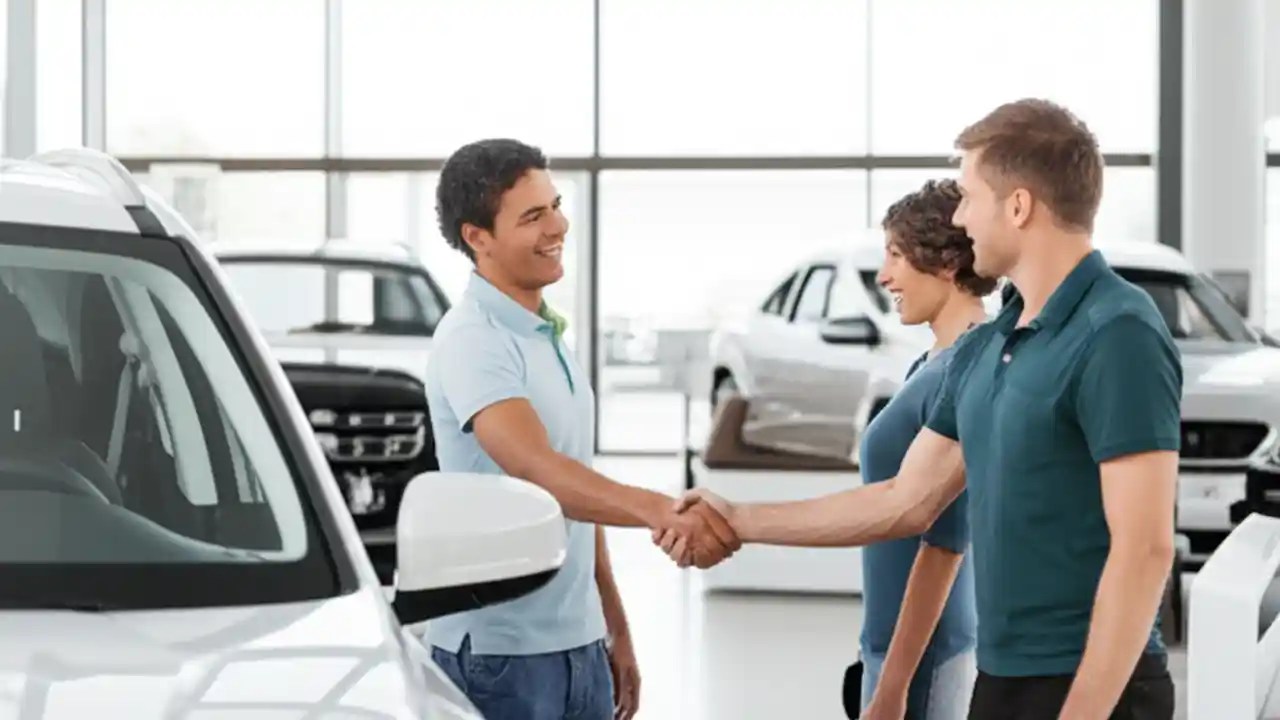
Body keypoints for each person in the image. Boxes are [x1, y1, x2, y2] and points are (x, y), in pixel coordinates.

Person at [660, 99, 1180, 720]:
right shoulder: (987, 348)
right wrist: (737, 517)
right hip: (1003, 678)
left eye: (967, 196)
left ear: (1017, 207)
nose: (960, 217)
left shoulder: (1117, 329)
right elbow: (902, 500)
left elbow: (1145, 548)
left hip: (1098, 689)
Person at [426, 138, 740, 720]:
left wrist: (612, 626)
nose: (559, 224)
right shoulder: (474, 338)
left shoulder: (544, 333)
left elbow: (577, 485)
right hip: (501, 656)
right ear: (478, 237)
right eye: (533, 215)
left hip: (576, 644)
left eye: (556, 204)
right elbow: (536, 469)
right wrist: (659, 510)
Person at [856, 179, 994, 720]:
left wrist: (893, 688)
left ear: (943, 262)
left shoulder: (965, 366)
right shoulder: (931, 365)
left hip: (922, 659)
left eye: (895, 255)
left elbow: (945, 546)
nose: (884, 275)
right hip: (893, 646)